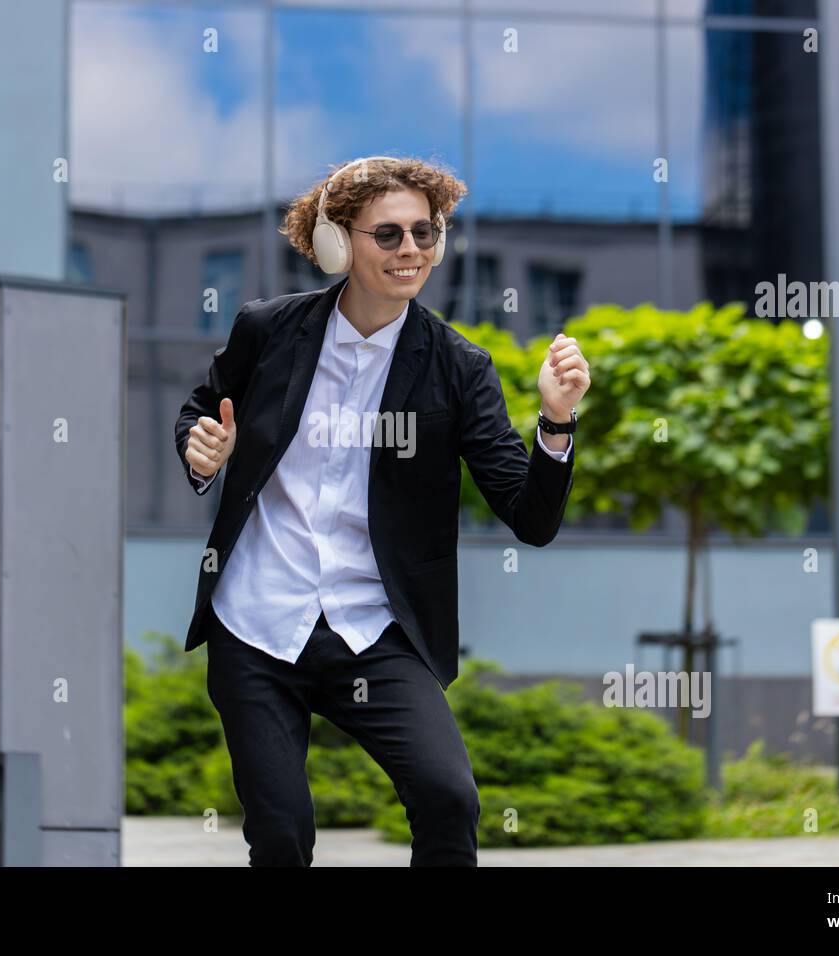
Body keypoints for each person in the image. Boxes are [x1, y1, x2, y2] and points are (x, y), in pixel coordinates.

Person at [174, 155, 591, 866]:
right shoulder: (267, 331)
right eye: (389, 235)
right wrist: (200, 448)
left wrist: (555, 425)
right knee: (281, 833)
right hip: (256, 622)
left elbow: (531, 518)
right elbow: (199, 411)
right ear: (339, 242)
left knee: (448, 796)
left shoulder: (460, 368)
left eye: (426, 235)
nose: (412, 252)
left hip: (375, 629)